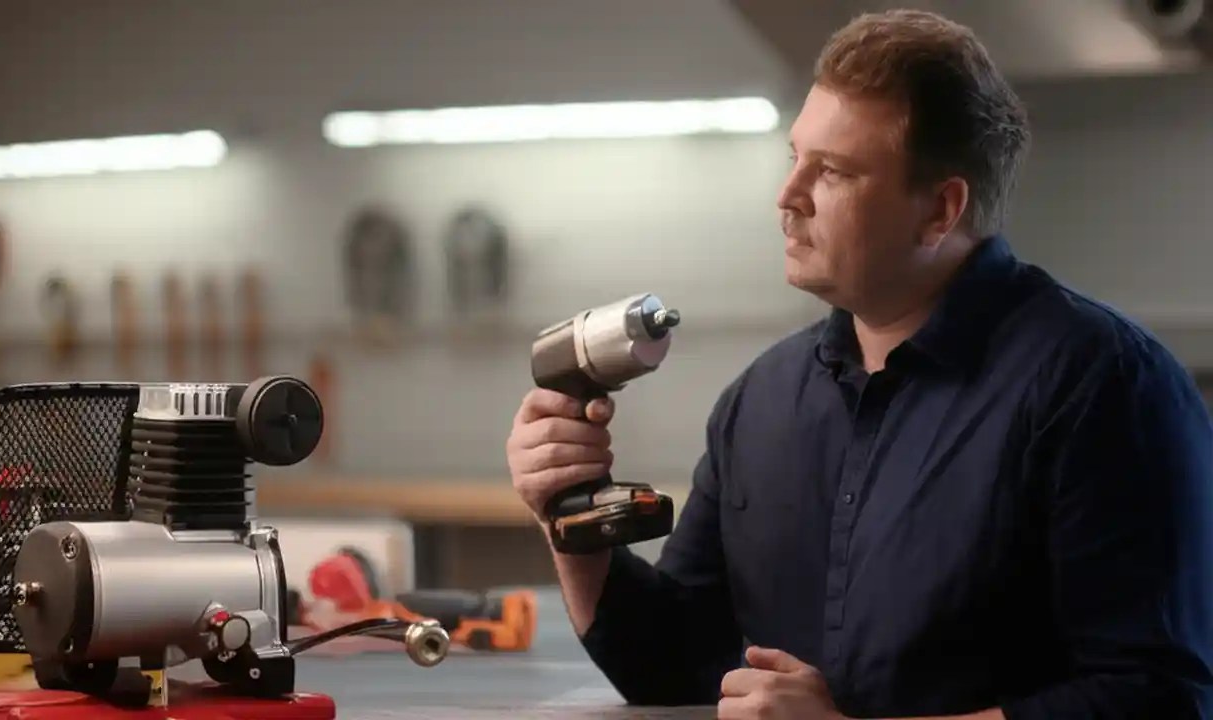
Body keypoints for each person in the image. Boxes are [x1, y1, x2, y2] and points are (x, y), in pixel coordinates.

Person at [506, 8, 1213, 720]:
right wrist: (570, 513)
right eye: (795, 158)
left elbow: (1158, 699)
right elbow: (675, 666)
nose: (788, 198)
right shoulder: (760, 402)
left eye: (833, 172)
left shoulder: (1103, 385)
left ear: (940, 210)